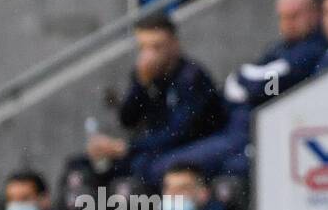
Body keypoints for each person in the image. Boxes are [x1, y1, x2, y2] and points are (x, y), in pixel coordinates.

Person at [142, 0, 327, 185]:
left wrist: (250, 83)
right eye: (283, 17)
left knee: (164, 168)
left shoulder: (312, 49)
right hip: (232, 129)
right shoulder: (280, 47)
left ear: (314, 13)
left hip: (254, 134)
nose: (288, 23)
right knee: (152, 164)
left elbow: (266, 84)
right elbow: (245, 79)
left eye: (295, 16)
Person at [86, 13, 227, 188]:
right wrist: (142, 85)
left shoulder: (191, 78)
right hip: (154, 148)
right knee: (85, 168)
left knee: (144, 169)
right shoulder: (145, 75)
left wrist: (127, 147)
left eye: (156, 47)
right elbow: (127, 120)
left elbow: (179, 132)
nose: (149, 55)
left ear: (174, 45)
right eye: (143, 48)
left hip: (193, 147)